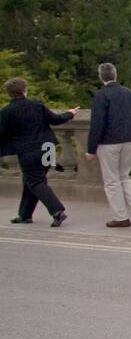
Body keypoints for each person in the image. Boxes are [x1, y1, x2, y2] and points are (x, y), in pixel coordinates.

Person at [0, 78, 77, 227]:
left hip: (28, 151)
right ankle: (24, 215)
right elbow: (55, 120)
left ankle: (57, 211)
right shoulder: (36, 104)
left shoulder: (7, 111)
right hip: (48, 148)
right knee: (32, 181)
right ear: (24, 91)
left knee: (35, 181)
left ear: (10, 94)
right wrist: (70, 113)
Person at [85, 63, 131, 228]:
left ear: (101, 77)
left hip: (109, 142)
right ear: (115, 75)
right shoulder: (128, 93)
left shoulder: (101, 95)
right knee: (124, 176)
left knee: (112, 180)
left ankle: (121, 217)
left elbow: (97, 123)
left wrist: (91, 149)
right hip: (128, 139)